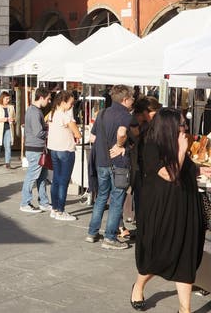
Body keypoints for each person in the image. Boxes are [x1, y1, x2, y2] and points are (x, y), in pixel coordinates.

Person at [131, 108, 204, 313]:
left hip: (186, 206)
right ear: (168, 126)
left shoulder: (177, 143)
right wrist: (182, 150)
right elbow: (170, 175)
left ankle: (185, 309)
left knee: (185, 256)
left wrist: (202, 169)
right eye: (182, 124)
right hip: (162, 210)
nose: (186, 127)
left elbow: (188, 169)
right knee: (159, 255)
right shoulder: (151, 147)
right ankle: (139, 286)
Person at [85, 83, 135, 249]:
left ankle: (92, 232)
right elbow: (121, 132)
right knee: (116, 200)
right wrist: (120, 145)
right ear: (125, 99)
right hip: (118, 164)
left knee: (101, 197)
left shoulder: (102, 113)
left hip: (101, 161)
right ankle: (110, 238)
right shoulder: (126, 116)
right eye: (132, 98)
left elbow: (92, 138)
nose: (133, 101)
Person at [47, 90, 81, 221]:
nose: (72, 105)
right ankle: (60, 210)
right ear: (63, 102)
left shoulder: (52, 114)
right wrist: (76, 134)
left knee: (56, 179)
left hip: (54, 149)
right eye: (71, 103)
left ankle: (55, 208)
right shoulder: (65, 116)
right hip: (65, 150)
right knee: (64, 181)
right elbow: (78, 134)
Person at [19, 86, 52, 213]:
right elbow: (38, 132)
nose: (49, 101)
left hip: (37, 148)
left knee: (42, 176)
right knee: (32, 176)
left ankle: (43, 202)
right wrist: (49, 131)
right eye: (48, 99)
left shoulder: (34, 110)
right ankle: (25, 203)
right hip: (35, 149)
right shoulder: (34, 112)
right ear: (42, 97)